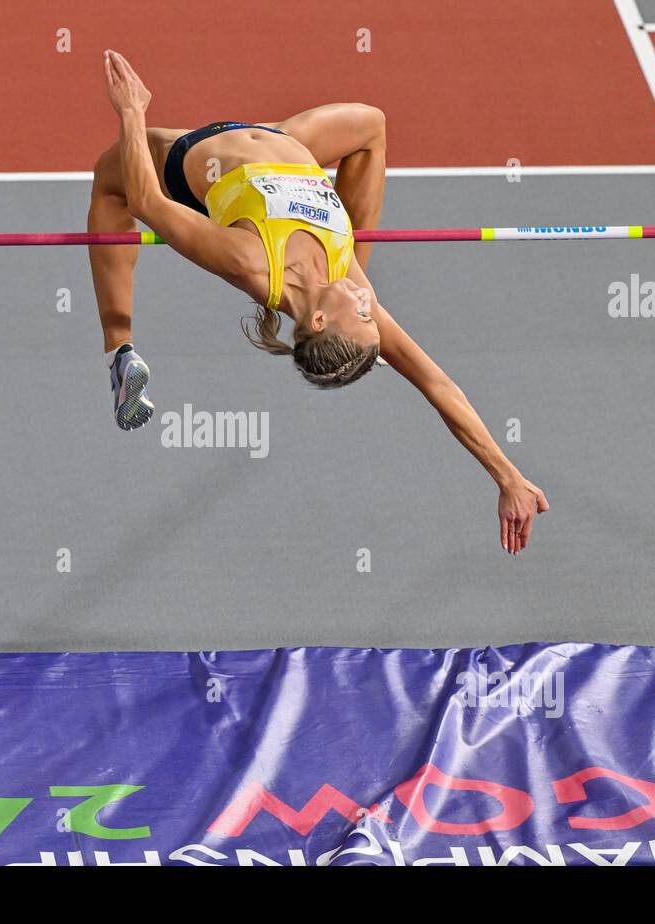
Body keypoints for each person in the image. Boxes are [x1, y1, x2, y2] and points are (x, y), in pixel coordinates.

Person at [90, 50, 548, 554]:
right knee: (372, 126)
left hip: (195, 156)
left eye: (362, 314)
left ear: (321, 317)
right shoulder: (347, 279)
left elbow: (147, 201)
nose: (370, 302)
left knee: (111, 181)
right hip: (289, 144)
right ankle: (348, 234)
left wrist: (132, 112)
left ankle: (120, 352)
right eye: (371, 311)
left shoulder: (252, 263)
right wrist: (508, 476)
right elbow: (437, 383)